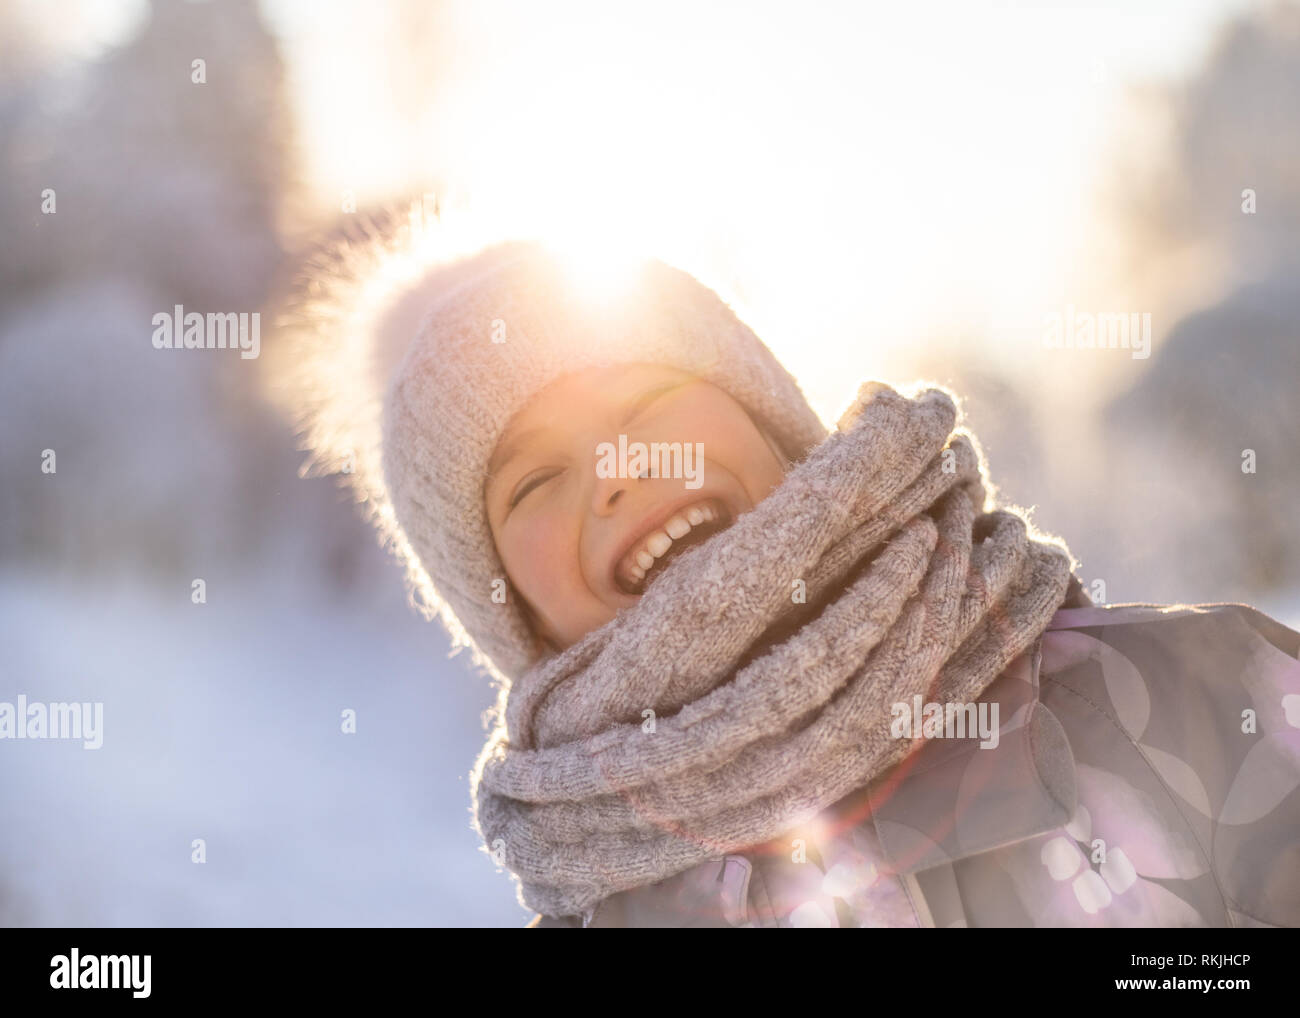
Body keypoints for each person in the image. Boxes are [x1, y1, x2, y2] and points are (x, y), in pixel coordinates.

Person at [268, 216, 1300, 928]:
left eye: (647, 404)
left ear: (769, 416)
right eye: (532, 479)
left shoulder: (1202, 701)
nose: (622, 472)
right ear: (511, 612)